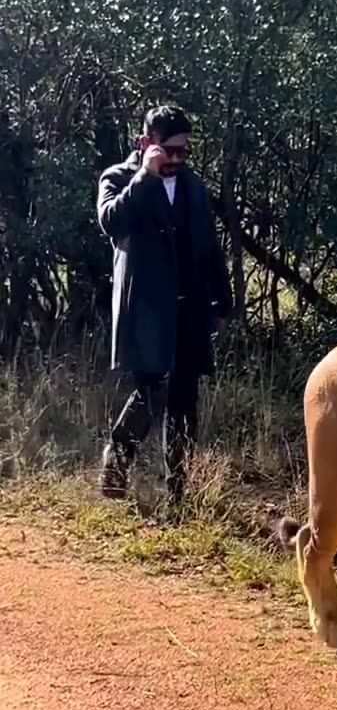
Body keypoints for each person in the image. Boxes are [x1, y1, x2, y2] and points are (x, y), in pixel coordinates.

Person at [96, 104, 232, 503]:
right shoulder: (119, 178)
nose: (177, 158)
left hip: (190, 305)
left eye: (184, 151)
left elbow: (209, 246)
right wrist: (146, 176)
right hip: (146, 306)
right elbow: (111, 222)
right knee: (151, 390)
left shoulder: (191, 185)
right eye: (169, 150)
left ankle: (178, 491)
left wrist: (221, 302)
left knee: (185, 399)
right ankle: (117, 459)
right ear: (147, 142)